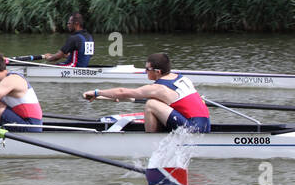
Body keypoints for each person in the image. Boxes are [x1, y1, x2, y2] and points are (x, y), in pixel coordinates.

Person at [81, 52, 210, 132]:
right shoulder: (183, 79)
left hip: (193, 129)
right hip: (204, 126)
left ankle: (149, 140)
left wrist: (97, 92)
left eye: (147, 69)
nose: (145, 72)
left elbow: (122, 92)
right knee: (153, 102)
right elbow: (132, 98)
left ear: (157, 72)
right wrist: (100, 97)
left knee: (151, 104)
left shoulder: (157, 88)